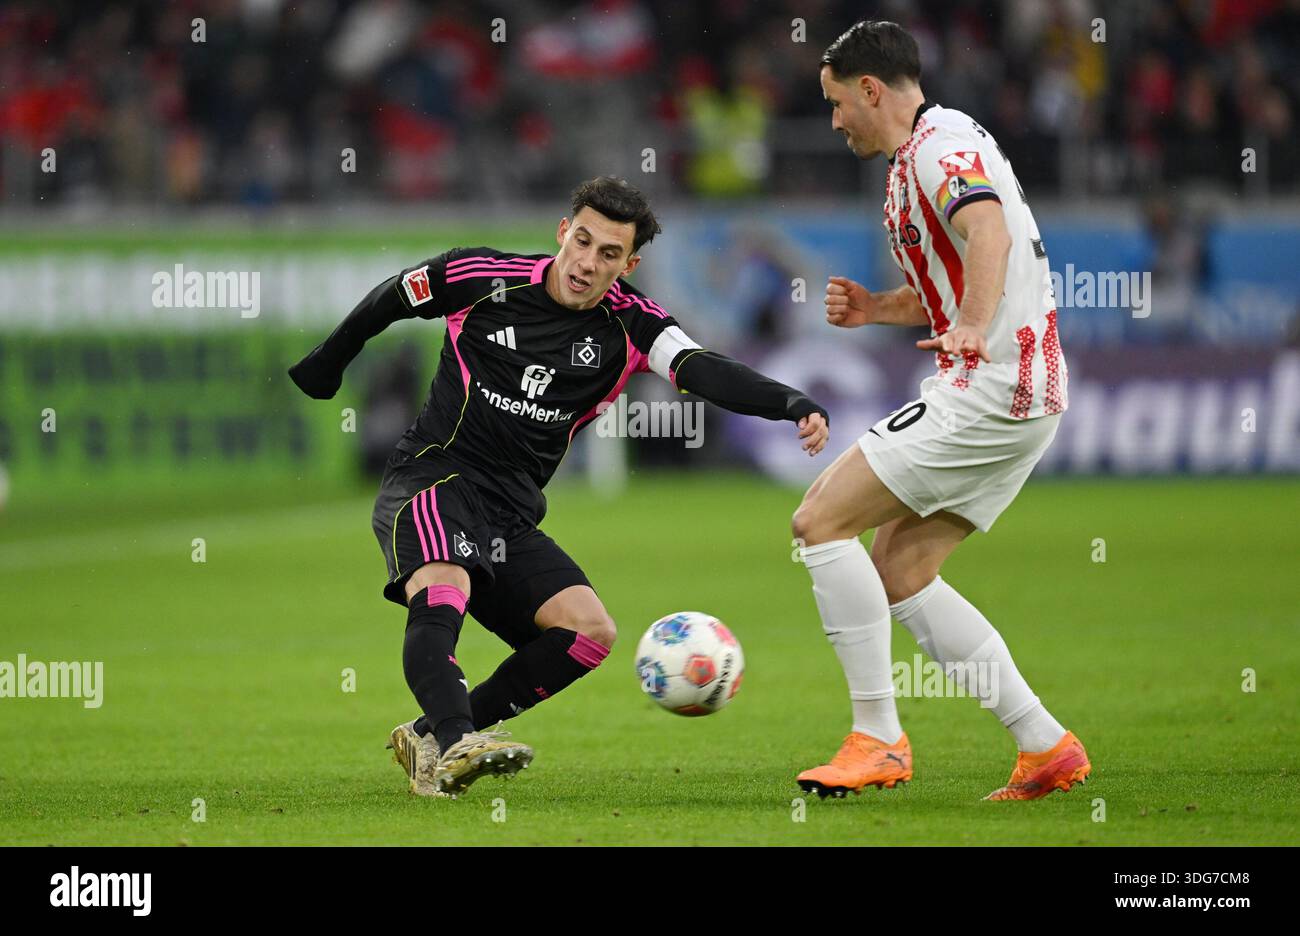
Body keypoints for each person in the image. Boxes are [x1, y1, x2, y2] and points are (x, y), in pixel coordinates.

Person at [289, 176, 830, 797]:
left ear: (629, 264)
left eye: (608, 254)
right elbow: (394, 296)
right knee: (444, 587)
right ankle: (459, 738)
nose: (587, 263)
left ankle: (430, 739)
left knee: (589, 632)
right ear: (562, 233)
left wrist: (789, 401)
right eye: (582, 241)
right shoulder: (482, 276)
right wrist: (331, 359)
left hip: (510, 512)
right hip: (435, 477)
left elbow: (701, 368)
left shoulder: (633, 324)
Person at [792, 21, 1090, 801]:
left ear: (869, 90)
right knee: (903, 567)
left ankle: (878, 738)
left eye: (835, 102)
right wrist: (875, 309)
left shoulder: (938, 141)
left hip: (991, 387)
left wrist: (969, 323)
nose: (833, 120)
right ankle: (1043, 744)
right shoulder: (914, 160)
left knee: (820, 522)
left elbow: (985, 229)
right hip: (1024, 389)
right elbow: (951, 281)